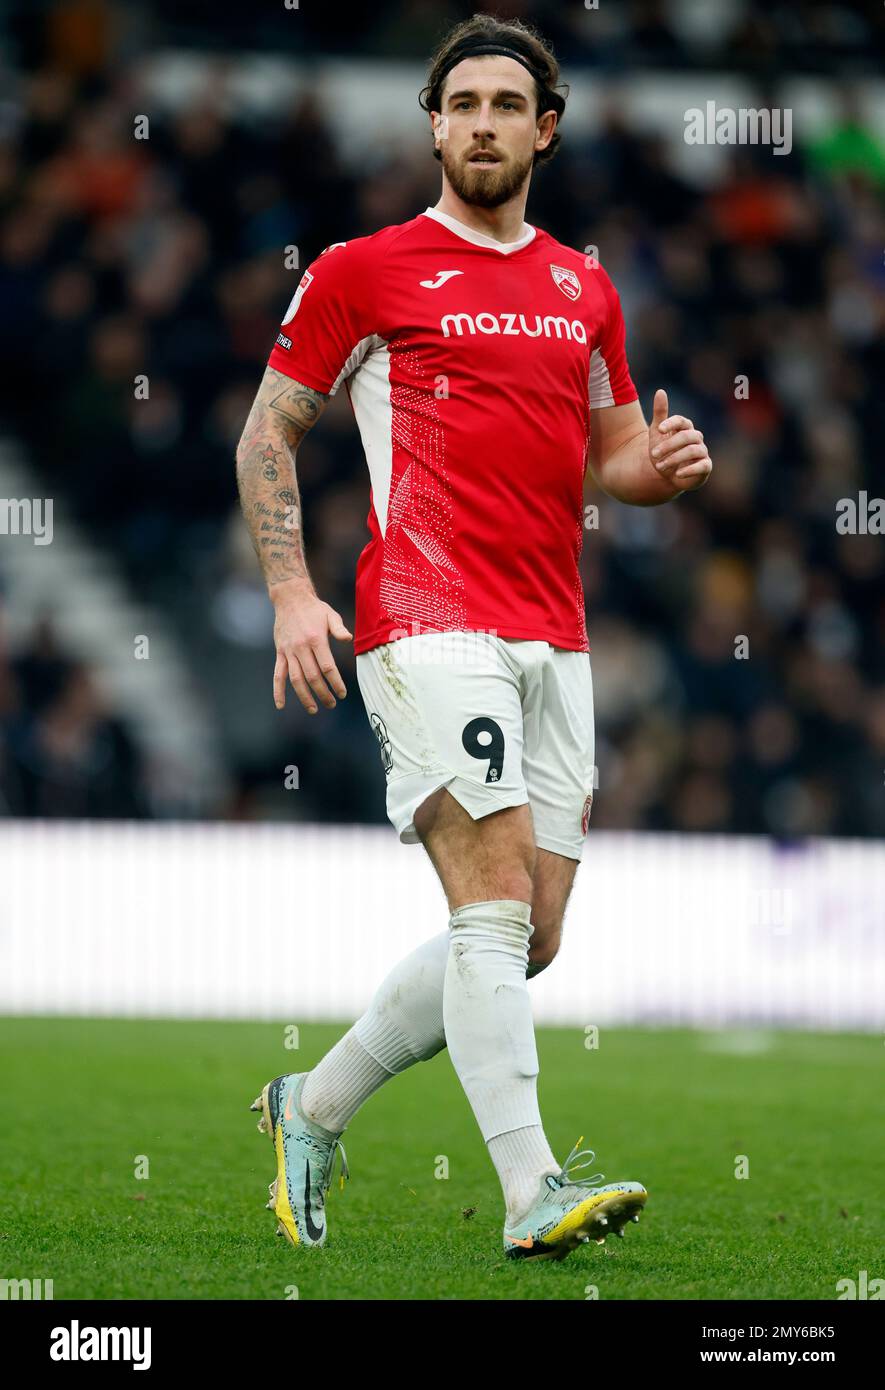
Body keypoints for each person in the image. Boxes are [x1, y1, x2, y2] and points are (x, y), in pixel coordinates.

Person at [236, 14, 712, 1262]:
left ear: (544, 130)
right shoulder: (364, 269)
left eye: (510, 104)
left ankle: (313, 1102)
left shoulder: (582, 285)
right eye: (464, 104)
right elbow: (267, 433)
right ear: (434, 124)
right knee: (492, 895)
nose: (485, 123)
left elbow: (610, 452)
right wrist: (293, 593)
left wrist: (657, 468)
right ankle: (532, 1192)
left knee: (529, 933)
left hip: (556, 631)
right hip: (424, 614)